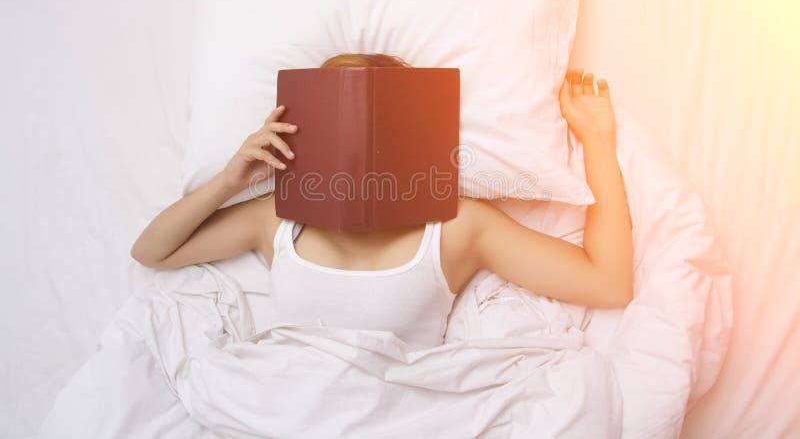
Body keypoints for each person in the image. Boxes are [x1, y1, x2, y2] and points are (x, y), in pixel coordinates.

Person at [130, 53, 633, 349]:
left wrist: (597, 143)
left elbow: (607, 283)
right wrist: (229, 181)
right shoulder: (278, 220)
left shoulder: (457, 226)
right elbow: (152, 251)